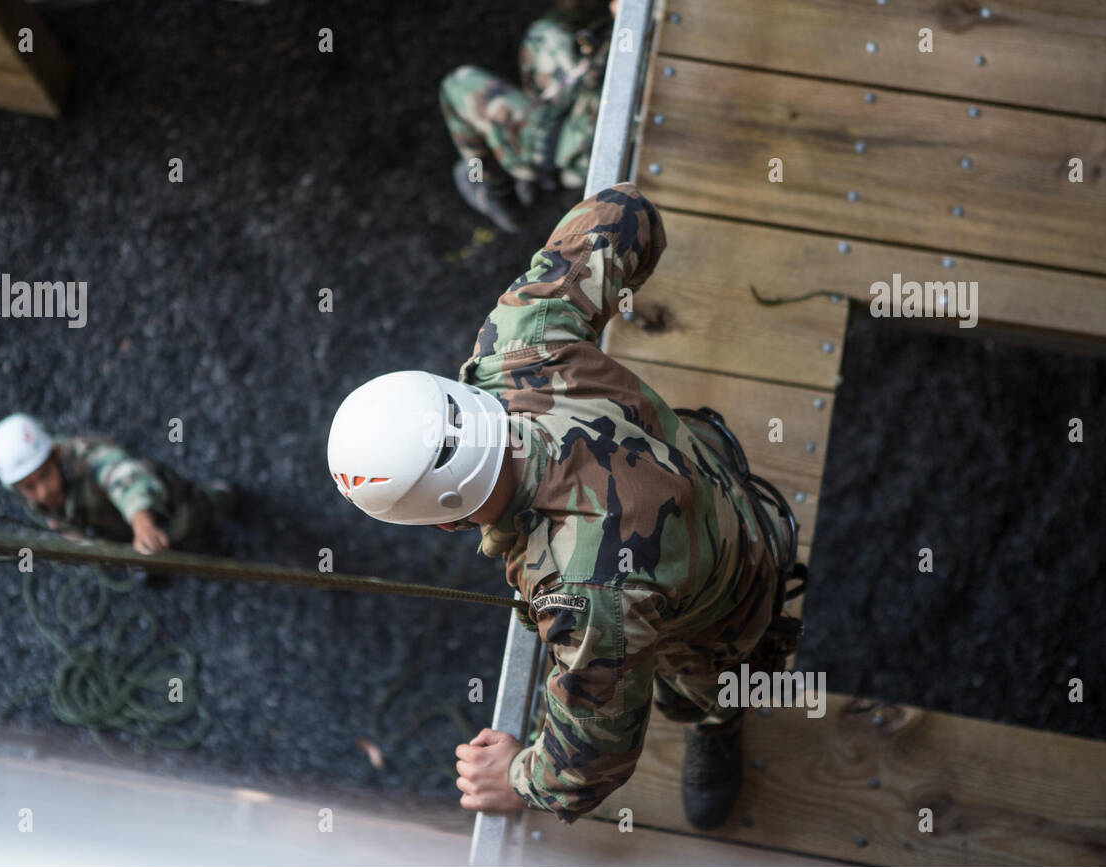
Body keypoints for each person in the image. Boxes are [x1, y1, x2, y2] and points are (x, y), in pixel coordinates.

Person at [327, 183, 806, 830]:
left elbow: (594, 755)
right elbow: (626, 211)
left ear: (444, 518)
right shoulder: (520, 339)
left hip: (724, 608)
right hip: (718, 482)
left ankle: (715, 720)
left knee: (710, 680)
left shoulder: (580, 597)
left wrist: (521, 777)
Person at [439, 0, 615, 233]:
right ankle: (531, 140)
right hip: (593, 100)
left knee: (456, 85)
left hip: (584, 137)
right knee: (540, 34)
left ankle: (492, 187)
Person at [0, 413, 235, 555]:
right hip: (116, 528)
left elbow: (122, 476)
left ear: (55, 457)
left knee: (196, 512)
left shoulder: (89, 458)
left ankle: (223, 499)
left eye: (44, 476)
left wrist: (142, 522)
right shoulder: (36, 498)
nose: (43, 491)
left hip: (160, 502)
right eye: (29, 487)